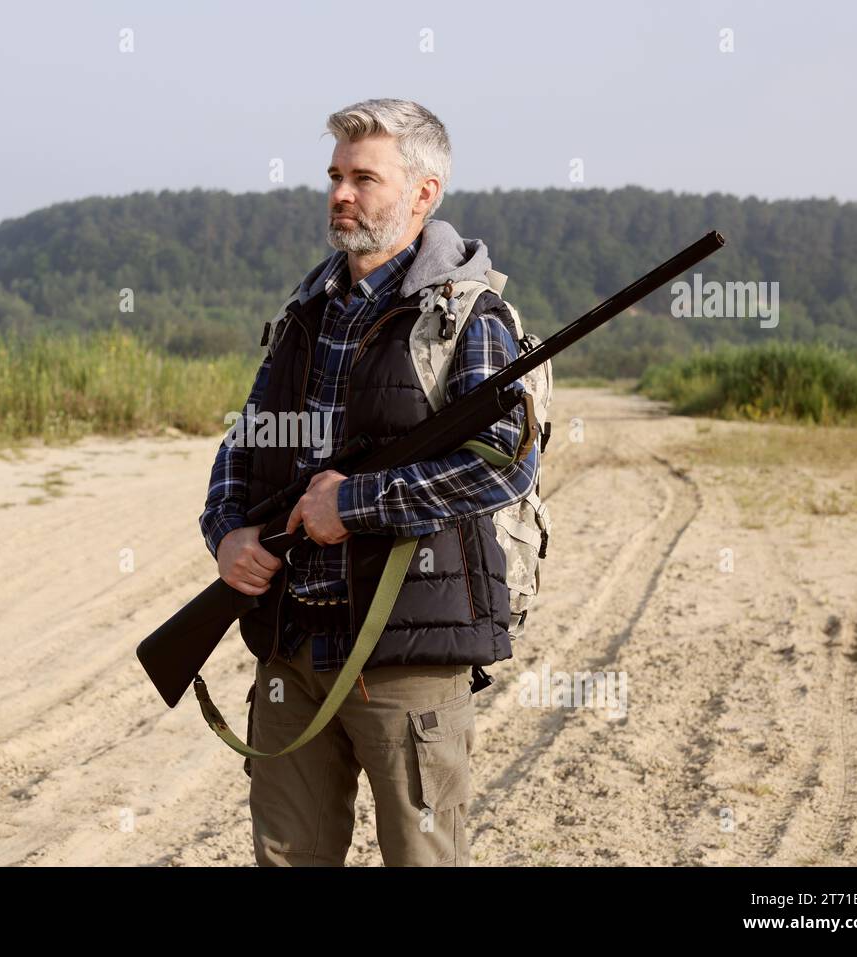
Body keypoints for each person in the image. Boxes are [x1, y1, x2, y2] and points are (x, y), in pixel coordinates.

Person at [198, 98, 539, 866]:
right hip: (294, 651)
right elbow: (245, 442)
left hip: (407, 657)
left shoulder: (466, 316)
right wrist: (229, 533)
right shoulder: (306, 313)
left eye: (364, 178)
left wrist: (352, 505)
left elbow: (503, 463)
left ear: (424, 193)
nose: (340, 195)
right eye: (335, 176)